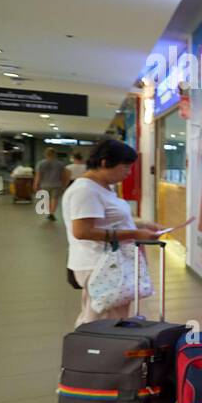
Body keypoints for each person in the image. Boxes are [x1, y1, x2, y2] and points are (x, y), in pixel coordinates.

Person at [61, 140, 162, 327]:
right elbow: (83, 231)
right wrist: (135, 233)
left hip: (112, 263)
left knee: (111, 316)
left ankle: (103, 351)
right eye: (125, 167)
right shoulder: (86, 190)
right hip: (99, 264)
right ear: (105, 163)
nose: (128, 172)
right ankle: (96, 353)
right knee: (103, 321)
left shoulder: (103, 187)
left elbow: (107, 218)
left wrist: (143, 224)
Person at [34, 147, 67, 221]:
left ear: (45, 154)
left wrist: (36, 184)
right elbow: (63, 176)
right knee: (54, 199)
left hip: (44, 184)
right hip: (56, 184)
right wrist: (64, 184)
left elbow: (38, 176)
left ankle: (49, 212)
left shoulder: (40, 163)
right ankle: (52, 213)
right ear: (55, 154)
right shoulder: (60, 164)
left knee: (46, 199)